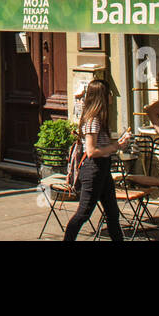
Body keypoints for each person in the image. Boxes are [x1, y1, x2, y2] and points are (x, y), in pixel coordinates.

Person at [63, 78, 132, 241]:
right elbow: (92, 151)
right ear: (102, 96)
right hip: (94, 169)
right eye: (109, 93)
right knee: (83, 212)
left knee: (112, 212)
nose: (111, 96)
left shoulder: (100, 119)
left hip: (103, 168)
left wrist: (117, 143)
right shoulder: (93, 120)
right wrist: (117, 146)